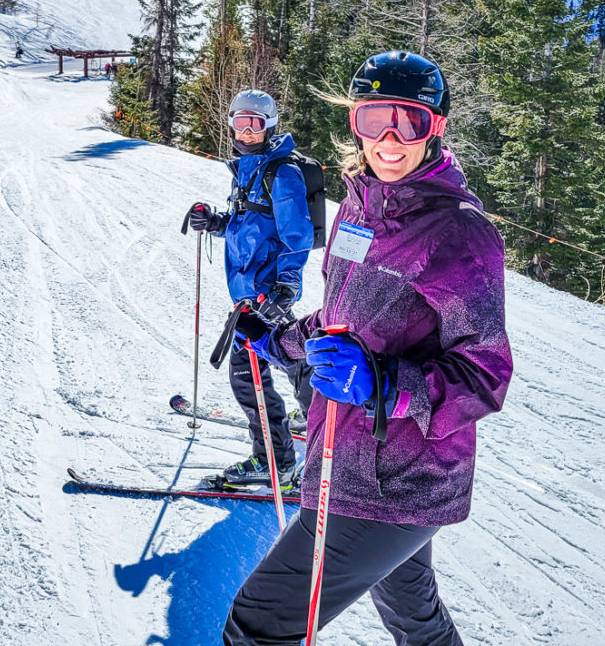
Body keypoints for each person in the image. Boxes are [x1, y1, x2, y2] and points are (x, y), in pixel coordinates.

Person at [222, 50, 513, 646]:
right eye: (373, 117)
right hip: (350, 454)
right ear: (354, 120)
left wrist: (384, 383)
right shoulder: (360, 207)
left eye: (408, 121)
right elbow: (340, 320)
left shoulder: (457, 230)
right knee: (415, 619)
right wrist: (275, 340)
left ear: (436, 128)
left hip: (397, 478)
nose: (389, 138)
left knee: (258, 626)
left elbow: (485, 375)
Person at [187, 89, 315, 487]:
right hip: (250, 288)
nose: (246, 131)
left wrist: (286, 285)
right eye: (239, 123)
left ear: (269, 126)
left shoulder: (282, 173)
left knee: (249, 374)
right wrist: (216, 222)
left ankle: (275, 461)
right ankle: (318, 421)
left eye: (254, 124)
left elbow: (299, 236)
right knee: (293, 359)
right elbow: (250, 223)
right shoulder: (250, 168)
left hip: (265, 292)